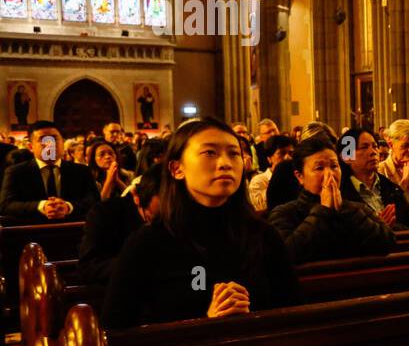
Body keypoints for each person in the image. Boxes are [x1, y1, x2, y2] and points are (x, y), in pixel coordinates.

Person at [102, 117, 302, 329]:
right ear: (177, 168)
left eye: (234, 153)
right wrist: (205, 323)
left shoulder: (263, 235)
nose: (225, 163)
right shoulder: (148, 243)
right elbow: (117, 330)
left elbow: (293, 313)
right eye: (210, 153)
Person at [270, 135, 397, 263]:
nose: (329, 174)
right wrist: (323, 210)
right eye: (319, 168)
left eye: (334, 166)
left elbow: (388, 242)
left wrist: (346, 209)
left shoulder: (357, 208)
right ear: (300, 177)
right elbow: (284, 255)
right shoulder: (284, 213)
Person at [76, 165, 163, 285]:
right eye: (155, 217)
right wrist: (140, 263)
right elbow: (88, 268)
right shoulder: (105, 213)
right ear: (136, 197)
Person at [0, 120, 100, 221]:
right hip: (32, 231)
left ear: (62, 142)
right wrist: (42, 206)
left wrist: (68, 206)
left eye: (54, 139)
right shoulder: (16, 172)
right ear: (31, 147)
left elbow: (94, 200)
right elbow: (6, 205)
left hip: (72, 229)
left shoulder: (81, 171)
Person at [339, 127, 409, 229]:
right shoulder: (340, 193)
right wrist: (376, 229)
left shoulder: (391, 187)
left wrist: (388, 228)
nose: (373, 152)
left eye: (375, 146)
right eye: (364, 147)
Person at [247, 134, 294, 212]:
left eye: (291, 153)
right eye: (282, 153)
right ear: (269, 159)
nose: (288, 157)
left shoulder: (297, 177)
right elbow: (260, 207)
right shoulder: (259, 181)